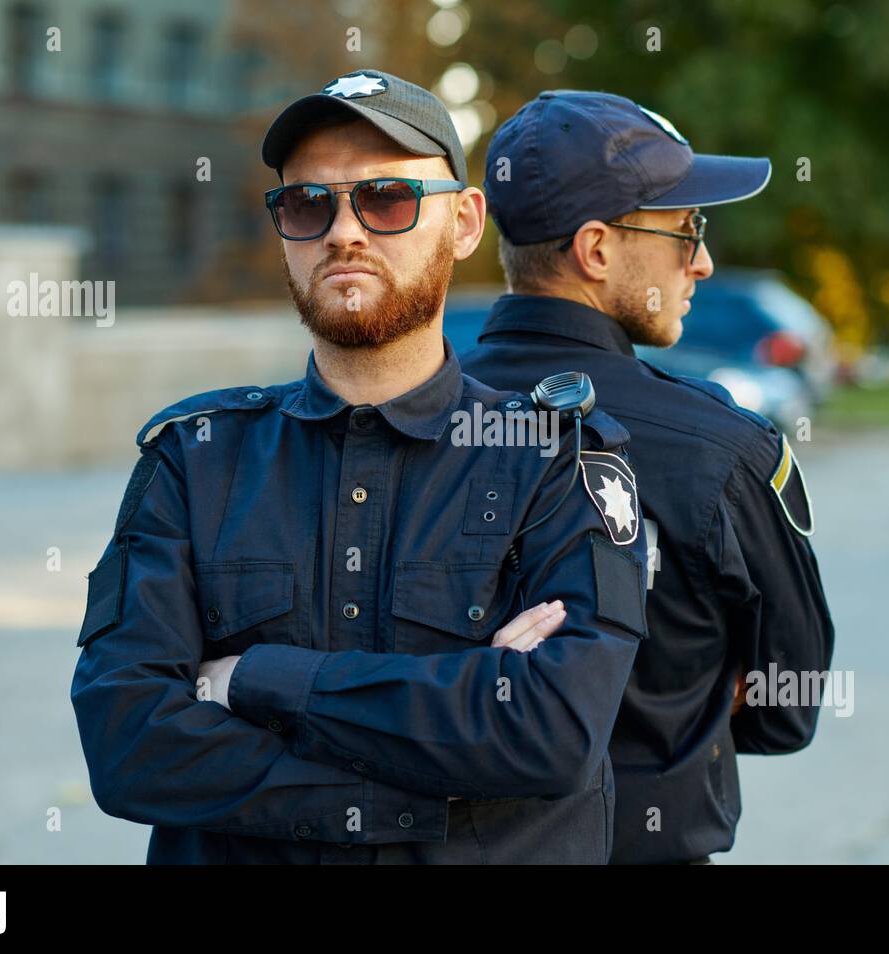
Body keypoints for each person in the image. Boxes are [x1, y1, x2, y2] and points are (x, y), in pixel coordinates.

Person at [69, 71, 649, 864]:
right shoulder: (194, 460)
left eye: (385, 198)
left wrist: (251, 681)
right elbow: (129, 746)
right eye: (309, 204)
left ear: (466, 222)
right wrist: (443, 763)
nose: (344, 231)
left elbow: (552, 735)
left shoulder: (553, 462)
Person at [460, 90, 835, 864]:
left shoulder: (413, 425)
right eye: (685, 231)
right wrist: (692, 693)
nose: (701, 259)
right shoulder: (721, 448)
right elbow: (785, 707)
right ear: (596, 250)